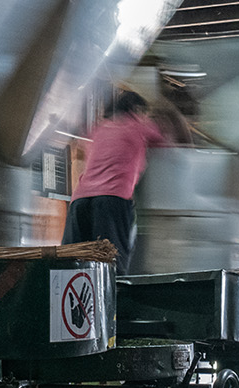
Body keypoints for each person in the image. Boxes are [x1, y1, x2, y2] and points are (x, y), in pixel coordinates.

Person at [62, 90, 167, 274]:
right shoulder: (138, 125)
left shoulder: (99, 129)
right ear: (135, 109)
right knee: (111, 266)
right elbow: (170, 144)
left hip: (80, 200)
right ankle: (114, 302)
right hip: (111, 199)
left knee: (73, 265)